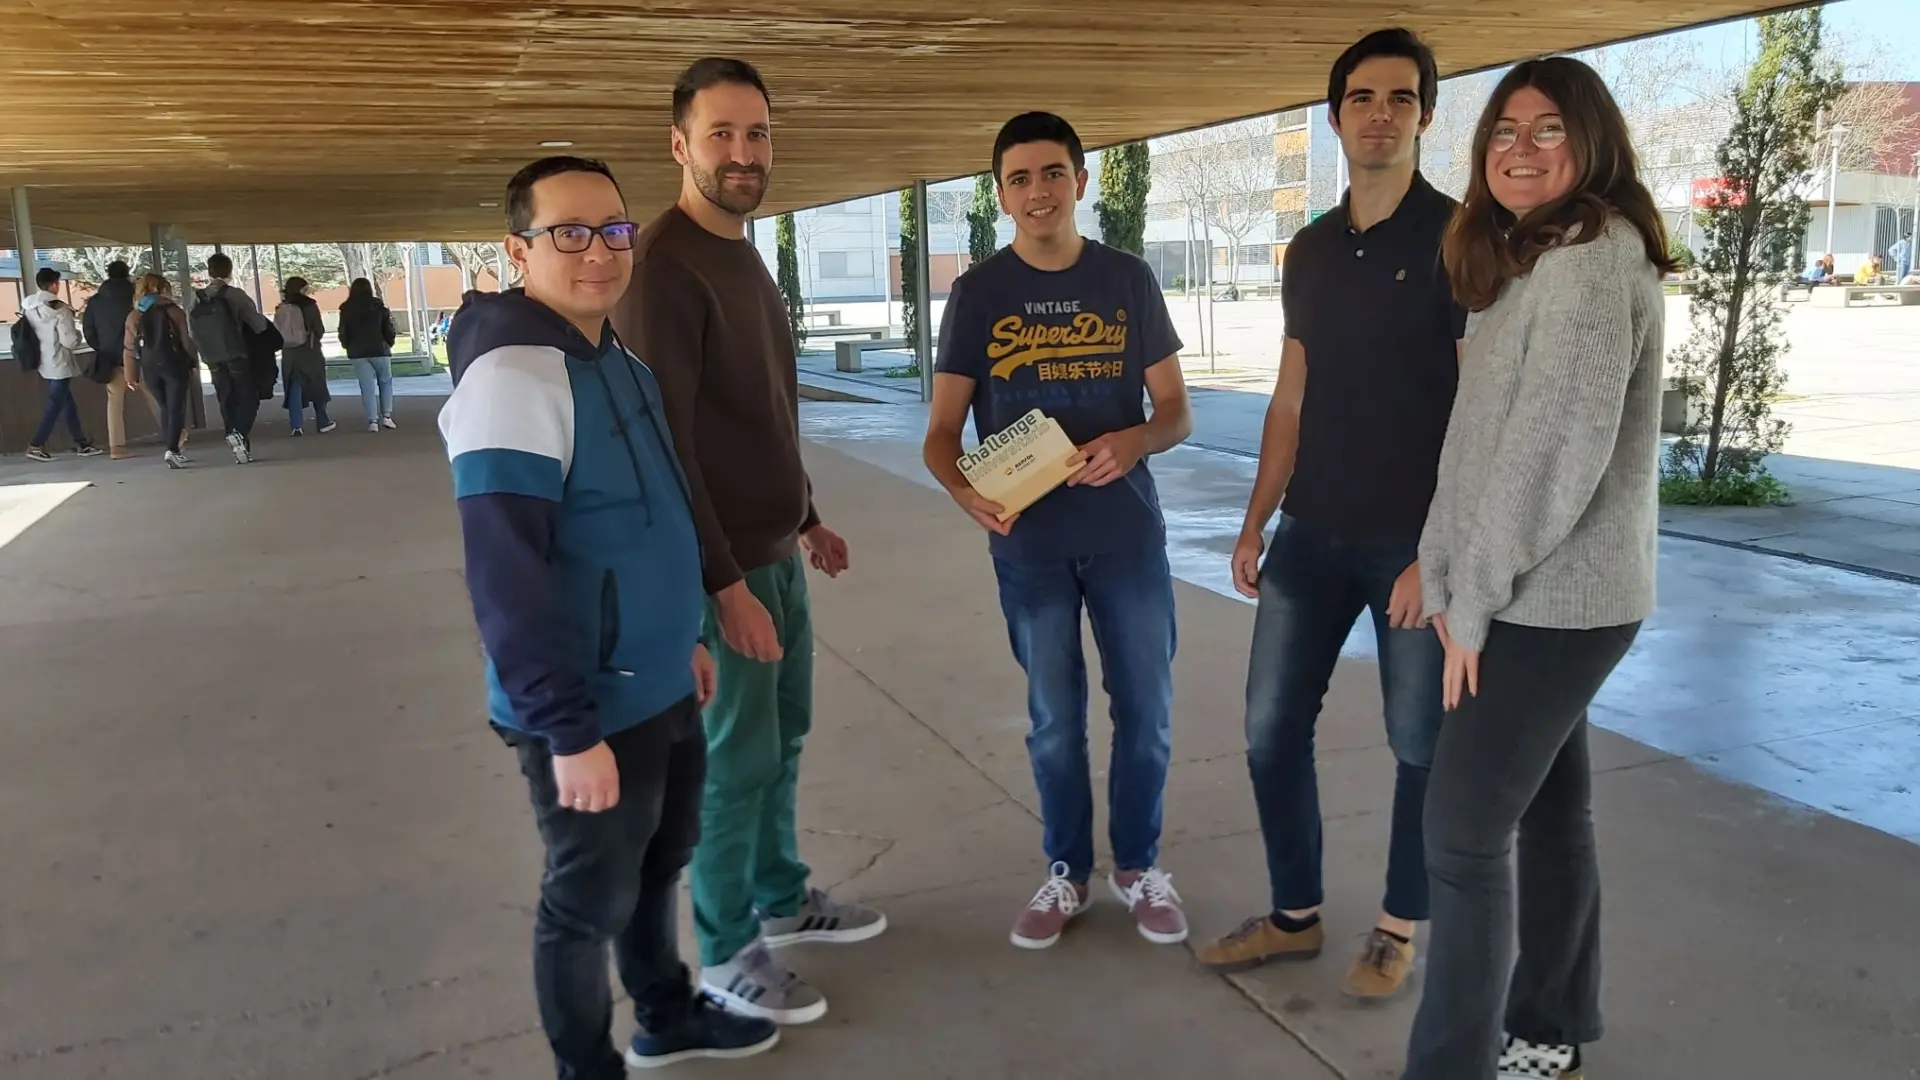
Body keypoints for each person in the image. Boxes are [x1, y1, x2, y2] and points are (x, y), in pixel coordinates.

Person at [438, 155, 779, 1076]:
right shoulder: (515, 374)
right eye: (570, 234)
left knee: (658, 867)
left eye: (615, 230)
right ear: (519, 250)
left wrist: (686, 645)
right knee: (583, 905)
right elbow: (507, 575)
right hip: (585, 709)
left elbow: (655, 518)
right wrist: (565, 727)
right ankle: (587, 1067)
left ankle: (665, 1014)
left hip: (658, 683)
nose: (600, 252)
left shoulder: (614, 358)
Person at [1401, 56, 1669, 1080]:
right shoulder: (1534, 259)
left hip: (1552, 603)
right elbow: (1476, 437)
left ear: (1590, 141)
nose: (1518, 147)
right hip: (1539, 593)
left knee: (1463, 844)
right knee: (1553, 816)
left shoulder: (1596, 262)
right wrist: (1439, 558)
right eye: (1503, 130)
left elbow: (1550, 454)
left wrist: (1473, 606)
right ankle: (1549, 1031)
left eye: (1546, 128)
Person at [610, 57, 881, 1026]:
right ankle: (727, 948)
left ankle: (780, 891)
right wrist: (724, 587)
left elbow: (758, 411)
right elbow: (671, 446)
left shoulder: (740, 249)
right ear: (679, 144)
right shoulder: (666, 265)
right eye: (720, 134)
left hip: (772, 551)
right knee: (733, 761)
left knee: (783, 739)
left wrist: (804, 513)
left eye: (756, 134)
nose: (742, 153)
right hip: (719, 572)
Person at [1195, 28, 1460, 1002]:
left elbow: (1480, 414)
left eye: (1398, 97)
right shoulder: (1308, 248)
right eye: (1361, 97)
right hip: (1311, 532)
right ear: (1336, 114)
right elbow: (1289, 399)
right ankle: (1295, 916)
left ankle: (1398, 925)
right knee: (1269, 731)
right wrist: (1256, 518)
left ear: (1425, 113)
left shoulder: (1459, 238)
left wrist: (1441, 553)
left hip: (1411, 544)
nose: (1379, 113)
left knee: (1418, 744)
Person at [921, 111, 1193, 952]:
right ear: (1001, 195)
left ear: (1080, 181)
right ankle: (1067, 872)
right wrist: (968, 493)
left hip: (1126, 536)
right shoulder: (979, 294)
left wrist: (1134, 439)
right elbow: (940, 437)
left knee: (1145, 709)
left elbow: (1177, 411)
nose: (1037, 191)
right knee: (1053, 717)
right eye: (1019, 178)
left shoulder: (1127, 280)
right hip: (1030, 546)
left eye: (1051, 173)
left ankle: (1138, 867)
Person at [191, 252, 272, 463]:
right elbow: (258, 325)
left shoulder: (196, 299)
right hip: (235, 352)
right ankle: (240, 434)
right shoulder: (235, 295)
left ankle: (238, 446)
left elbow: (193, 330)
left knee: (226, 398)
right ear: (230, 271)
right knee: (248, 397)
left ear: (209, 272)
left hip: (211, 356)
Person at [20, 267, 105, 462]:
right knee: (55, 404)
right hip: (60, 361)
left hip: (43, 360)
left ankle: (81, 443)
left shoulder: (29, 306)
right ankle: (36, 444)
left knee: (67, 404)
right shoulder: (60, 308)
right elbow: (69, 341)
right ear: (54, 284)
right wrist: (79, 335)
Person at [122, 273, 199, 469]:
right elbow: (185, 341)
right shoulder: (174, 311)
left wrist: (131, 375)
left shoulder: (134, 315)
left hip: (149, 367)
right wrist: (192, 361)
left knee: (165, 407)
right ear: (163, 289)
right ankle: (172, 450)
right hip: (173, 364)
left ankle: (173, 447)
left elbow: (129, 348)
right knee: (175, 407)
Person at [82, 259, 156, 459]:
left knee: (114, 402)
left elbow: (88, 330)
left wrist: (102, 347)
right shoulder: (137, 297)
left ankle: (117, 447)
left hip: (110, 358)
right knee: (154, 395)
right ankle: (176, 434)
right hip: (137, 355)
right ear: (127, 273)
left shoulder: (96, 301)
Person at [273, 277, 335, 435]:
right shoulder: (310, 305)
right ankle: (322, 421)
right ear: (301, 289)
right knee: (317, 385)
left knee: (294, 387)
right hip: (309, 350)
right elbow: (319, 329)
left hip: (289, 353)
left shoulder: (282, 307)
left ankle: (296, 425)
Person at [337, 278, 399, 432]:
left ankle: (372, 421)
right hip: (379, 349)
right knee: (385, 382)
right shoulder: (379, 307)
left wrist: (347, 345)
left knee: (367, 386)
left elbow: (343, 331)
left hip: (358, 352)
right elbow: (388, 329)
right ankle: (387, 416)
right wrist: (389, 343)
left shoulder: (346, 309)